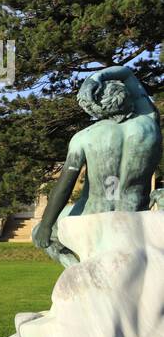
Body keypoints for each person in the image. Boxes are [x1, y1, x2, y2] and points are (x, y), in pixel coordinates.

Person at [32, 65, 161, 267]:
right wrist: (95, 78)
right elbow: (127, 73)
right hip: (134, 210)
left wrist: (46, 226)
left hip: (92, 214)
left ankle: (77, 269)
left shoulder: (83, 138)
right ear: (127, 98)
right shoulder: (148, 122)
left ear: (96, 109)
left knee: (39, 232)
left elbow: (65, 185)